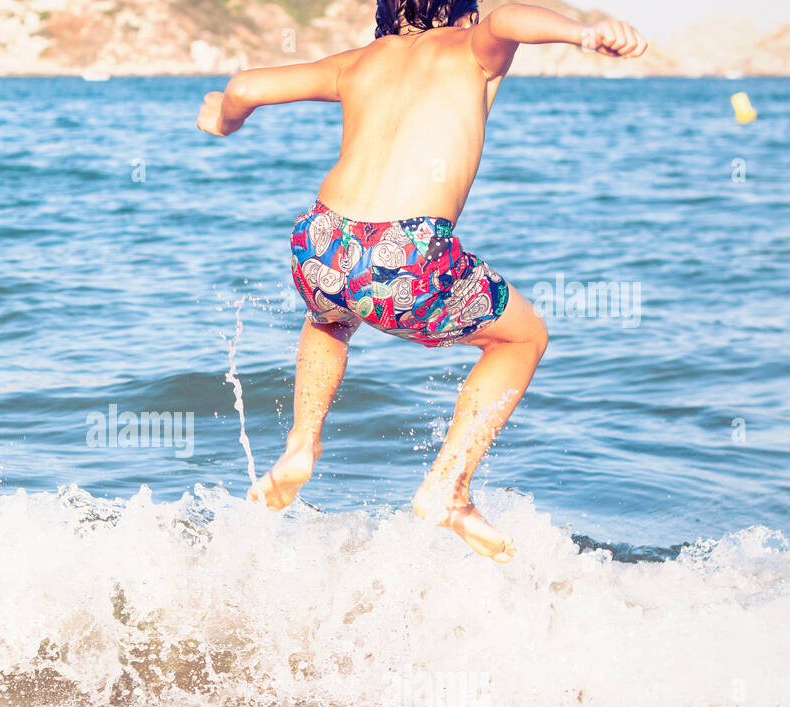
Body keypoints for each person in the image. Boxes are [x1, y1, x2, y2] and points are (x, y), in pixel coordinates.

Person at [196, 1, 647, 561]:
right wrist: (585, 33)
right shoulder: (472, 47)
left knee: (329, 317)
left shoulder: (358, 62)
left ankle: (300, 446)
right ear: (463, 14)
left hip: (321, 239)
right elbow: (509, 22)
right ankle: (448, 488)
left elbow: (244, 86)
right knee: (523, 336)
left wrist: (223, 120)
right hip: (406, 251)